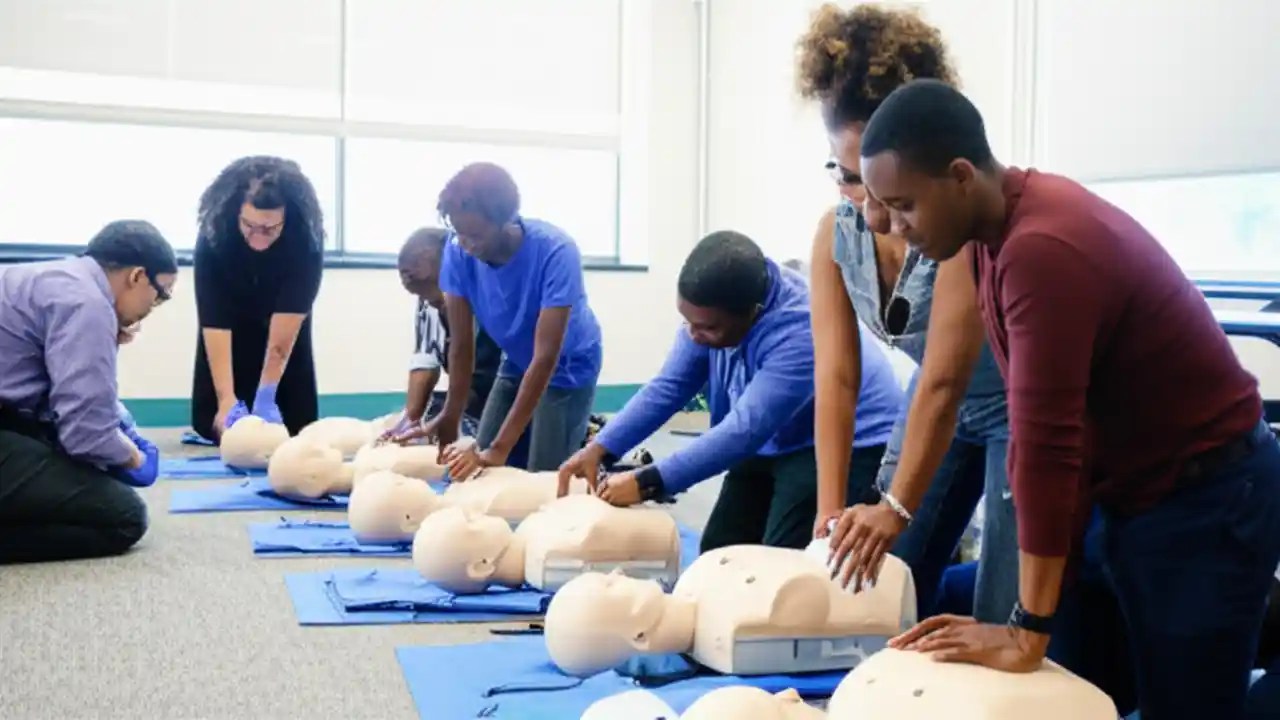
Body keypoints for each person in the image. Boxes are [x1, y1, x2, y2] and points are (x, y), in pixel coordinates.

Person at [860, 79, 1280, 720]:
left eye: (903, 204)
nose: (890, 226)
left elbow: (1047, 443)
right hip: (1126, 497)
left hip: (1206, 501)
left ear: (961, 176)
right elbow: (950, 387)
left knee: (1186, 705)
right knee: (1078, 692)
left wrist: (1026, 624)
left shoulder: (1041, 248)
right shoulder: (981, 237)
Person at [794, 3, 1018, 626]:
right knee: (875, 579)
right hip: (938, 400)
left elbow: (948, 378)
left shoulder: (953, 230)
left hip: (1012, 406)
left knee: (1001, 607)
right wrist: (832, 510)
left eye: (876, 179)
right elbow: (835, 376)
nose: (864, 203)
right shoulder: (835, 237)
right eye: (846, 176)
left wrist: (893, 504)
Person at [558, 231, 903, 553]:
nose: (694, 335)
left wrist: (650, 482)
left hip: (846, 442)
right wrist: (602, 447)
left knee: (780, 560)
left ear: (752, 314)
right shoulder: (713, 311)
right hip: (773, 436)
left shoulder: (799, 330)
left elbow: (743, 431)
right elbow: (669, 386)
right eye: (687, 322)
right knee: (719, 555)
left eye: (707, 327)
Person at [0, 220, 176, 564]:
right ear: (137, 276)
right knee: (122, 516)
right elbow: (85, 434)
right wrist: (135, 457)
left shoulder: (57, 278)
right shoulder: (88, 304)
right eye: (160, 296)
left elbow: (59, 399)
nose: (152, 309)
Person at [429, 162, 603, 477]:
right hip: (517, 359)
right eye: (459, 233)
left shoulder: (556, 252)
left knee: (544, 477)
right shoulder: (458, 252)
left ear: (506, 221)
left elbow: (546, 358)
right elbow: (461, 346)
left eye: (476, 235)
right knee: (479, 467)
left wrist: (500, 448)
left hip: (567, 367)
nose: (467, 244)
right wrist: (451, 414)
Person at [191, 155, 325, 441]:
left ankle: (271, 398)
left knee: (294, 427)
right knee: (213, 425)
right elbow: (214, 319)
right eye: (249, 225)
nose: (258, 238)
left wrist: (266, 395)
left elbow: (286, 324)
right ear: (236, 213)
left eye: (269, 228)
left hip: (283, 337)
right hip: (230, 331)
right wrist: (226, 399)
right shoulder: (215, 236)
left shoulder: (305, 240)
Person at [383, 227, 503, 442]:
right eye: (423, 298)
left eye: (437, 300)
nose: (431, 305)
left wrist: (450, 418)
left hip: (518, 389)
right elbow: (425, 360)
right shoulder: (427, 298)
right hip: (471, 396)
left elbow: (508, 375)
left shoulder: (492, 296)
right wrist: (410, 418)